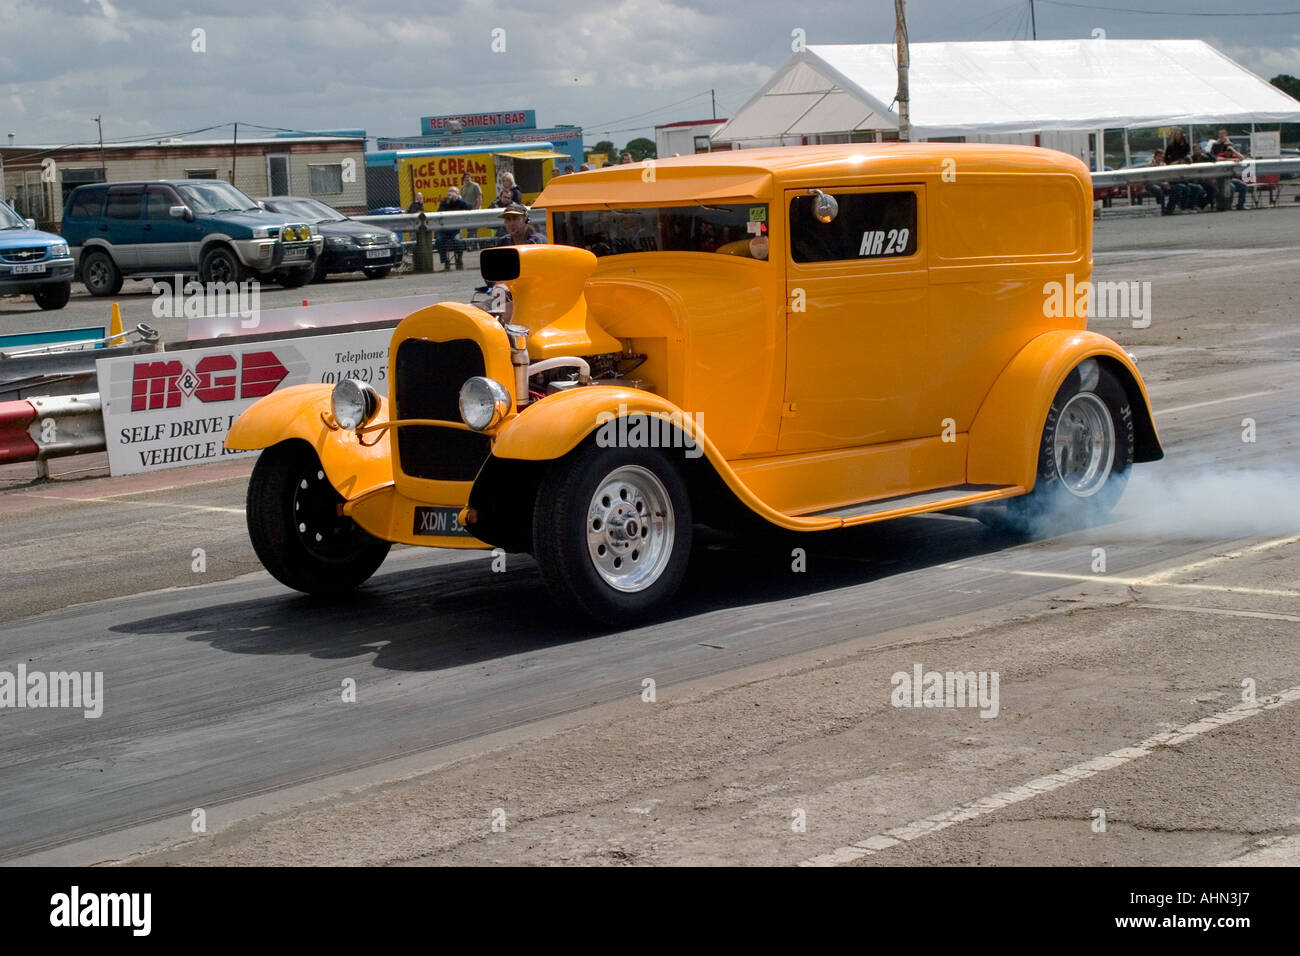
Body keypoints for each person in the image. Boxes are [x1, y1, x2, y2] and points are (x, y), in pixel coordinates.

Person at [436, 186, 470, 270]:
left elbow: (469, 207)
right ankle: (445, 261)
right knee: (439, 240)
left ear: (457, 194)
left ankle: (459, 259)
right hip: (445, 230)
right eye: (449, 192)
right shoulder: (444, 202)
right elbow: (439, 212)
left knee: (457, 240)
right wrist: (447, 203)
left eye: (453, 192)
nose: (450, 194)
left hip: (455, 230)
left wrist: (458, 200)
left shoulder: (460, 202)